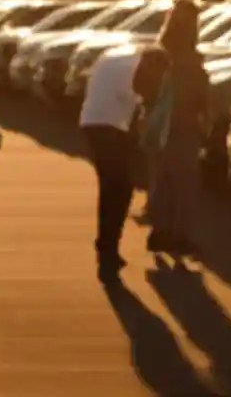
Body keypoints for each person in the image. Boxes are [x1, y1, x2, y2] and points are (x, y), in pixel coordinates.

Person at [134, 0, 210, 259]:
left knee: (160, 179)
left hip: (156, 126)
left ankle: (159, 231)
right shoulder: (190, 60)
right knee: (185, 183)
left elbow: (139, 85)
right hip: (183, 125)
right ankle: (181, 236)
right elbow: (201, 93)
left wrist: (150, 107)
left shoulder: (156, 53)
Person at [80, 45, 146, 283]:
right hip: (107, 127)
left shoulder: (116, 57)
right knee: (119, 186)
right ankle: (107, 246)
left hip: (93, 121)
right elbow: (135, 94)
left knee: (112, 187)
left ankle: (107, 244)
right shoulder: (132, 68)